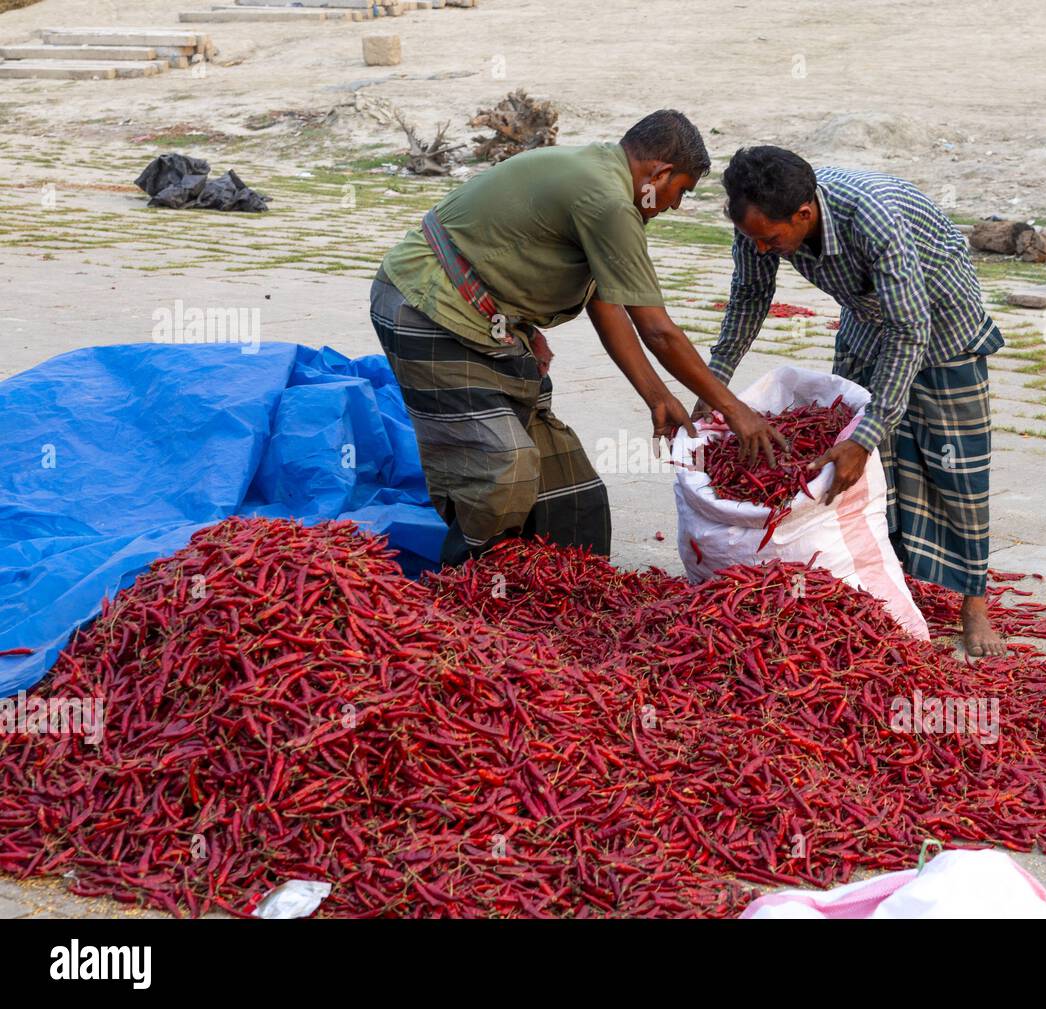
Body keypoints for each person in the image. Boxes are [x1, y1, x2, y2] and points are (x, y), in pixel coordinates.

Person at [370, 111, 784, 565]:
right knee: (500, 467)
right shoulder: (607, 198)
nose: (676, 205)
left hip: (491, 322)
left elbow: (605, 300)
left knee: (568, 485)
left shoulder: (606, 178)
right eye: (680, 191)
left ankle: (554, 599)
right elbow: (658, 330)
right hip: (429, 309)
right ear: (659, 173)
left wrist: (656, 395)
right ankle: (470, 595)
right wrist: (735, 409)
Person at [696, 146, 1007, 656]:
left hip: (943, 321)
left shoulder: (871, 217)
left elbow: (911, 330)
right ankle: (888, 577)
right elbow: (749, 299)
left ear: (804, 214)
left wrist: (865, 435)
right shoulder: (756, 222)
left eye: (771, 240)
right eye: (753, 237)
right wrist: (717, 387)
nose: (763, 248)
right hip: (865, 320)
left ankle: (974, 605)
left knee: (956, 467)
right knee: (861, 469)